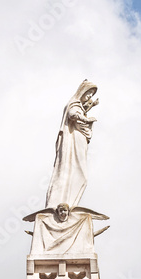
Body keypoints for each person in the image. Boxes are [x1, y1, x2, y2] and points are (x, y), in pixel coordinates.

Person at [45, 80, 99, 211]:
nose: (89, 97)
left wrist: (90, 107)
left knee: (80, 176)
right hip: (73, 143)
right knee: (73, 173)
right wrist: (87, 119)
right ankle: (60, 204)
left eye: (91, 95)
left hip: (80, 142)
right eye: (88, 94)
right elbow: (73, 114)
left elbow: (80, 110)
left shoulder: (79, 106)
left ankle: (70, 204)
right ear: (82, 91)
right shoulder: (74, 104)